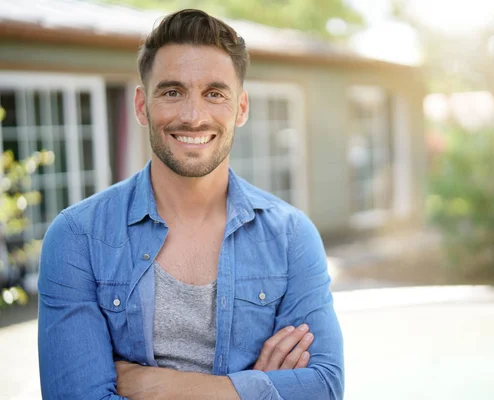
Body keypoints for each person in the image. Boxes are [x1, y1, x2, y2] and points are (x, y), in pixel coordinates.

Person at [37, 9, 344, 400]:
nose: (193, 116)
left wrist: (159, 386)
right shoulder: (77, 237)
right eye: (172, 92)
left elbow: (325, 388)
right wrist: (256, 390)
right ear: (141, 106)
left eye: (214, 93)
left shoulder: (291, 236)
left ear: (242, 108)